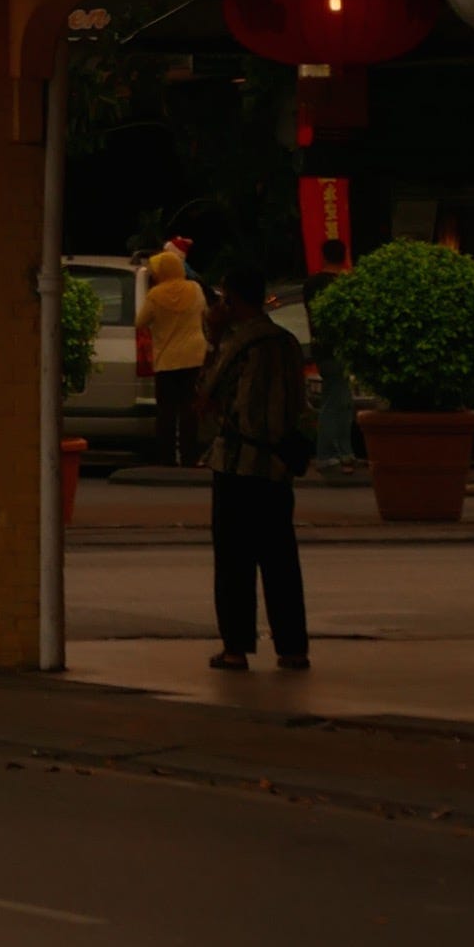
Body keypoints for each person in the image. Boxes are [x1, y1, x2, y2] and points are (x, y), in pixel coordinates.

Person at [195, 252, 313, 673]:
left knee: (234, 562)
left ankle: (236, 648)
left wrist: (212, 336)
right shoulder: (285, 342)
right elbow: (299, 404)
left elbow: (207, 395)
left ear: (231, 300)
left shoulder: (236, 343)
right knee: (281, 559)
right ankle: (293, 648)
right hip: (278, 469)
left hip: (237, 465)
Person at [139, 238, 207, 465]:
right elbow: (205, 313)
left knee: (166, 411)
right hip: (195, 356)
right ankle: (189, 455)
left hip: (167, 359)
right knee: (189, 409)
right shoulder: (195, 289)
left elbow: (140, 321)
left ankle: (166, 457)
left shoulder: (155, 295)